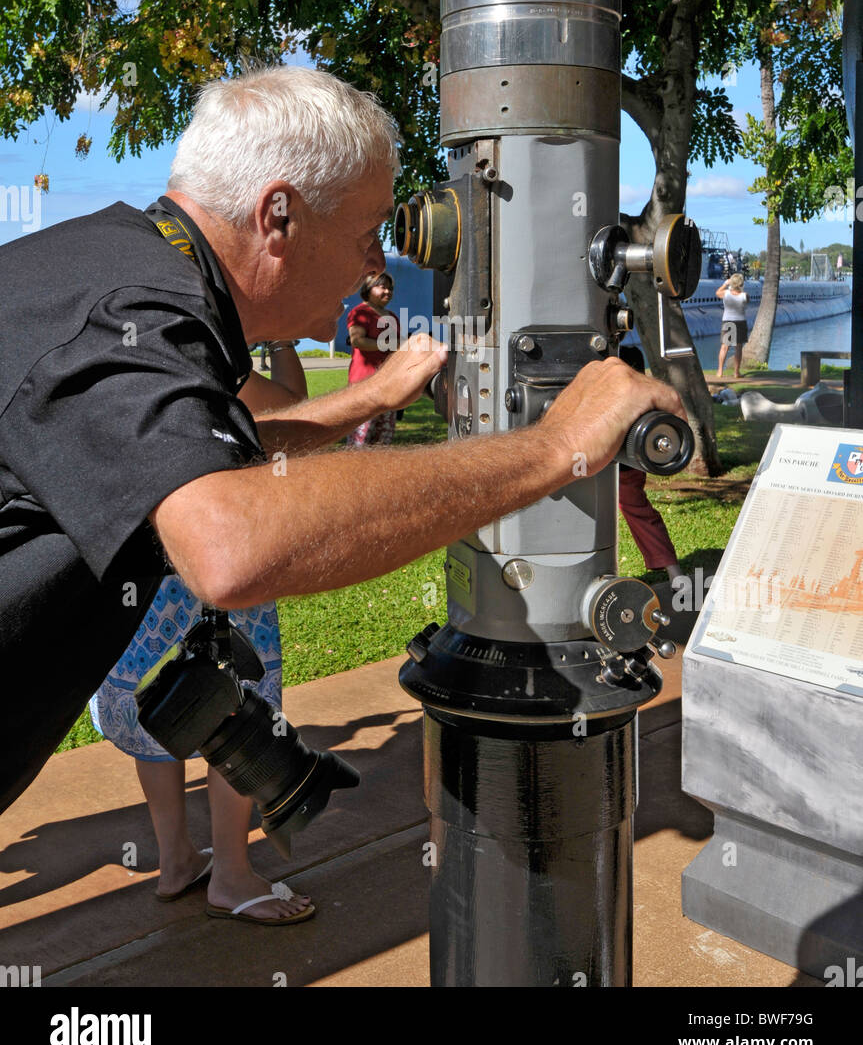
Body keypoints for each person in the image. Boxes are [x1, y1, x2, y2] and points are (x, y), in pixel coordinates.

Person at [0, 64, 687, 814]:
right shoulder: (124, 311)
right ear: (279, 216)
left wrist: (364, 399)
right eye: (365, 235)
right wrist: (557, 446)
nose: (374, 267)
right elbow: (227, 546)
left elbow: (181, 460)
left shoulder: (114, 267)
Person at [89, 359, 313, 924]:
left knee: (158, 702)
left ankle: (177, 861)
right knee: (231, 711)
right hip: (213, 548)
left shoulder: (116, 348)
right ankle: (233, 876)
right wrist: (278, 343)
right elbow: (289, 409)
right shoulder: (203, 352)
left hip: (136, 556)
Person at [617, 346, 683, 588]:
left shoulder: (623, 359)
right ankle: (674, 573)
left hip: (624, 456)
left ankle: (674, 573)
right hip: (626, 453)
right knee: (636, 509)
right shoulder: (632, 357)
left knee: (635, 508)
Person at [345, 271, 400, 447]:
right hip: (364, 384)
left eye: (390, 288)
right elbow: (357, 341)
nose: (388, 292)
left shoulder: (392, 316)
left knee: (383, 439)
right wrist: (388, 344)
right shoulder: (359, 312)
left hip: (388, 384)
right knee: (360, 439)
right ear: (368, 288)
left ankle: (376, 472)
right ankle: (352, 472)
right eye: (382, 287)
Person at [716, 271, 749, 379]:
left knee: (724, 347)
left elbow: (717, 293)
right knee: (738, 348)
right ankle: (736, 372)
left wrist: (725, 284)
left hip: (727, 321)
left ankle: (720, 371)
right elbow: (746, 302)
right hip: (740, 322)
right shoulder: (745, 296)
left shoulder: (725, 293)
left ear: (732, 283)